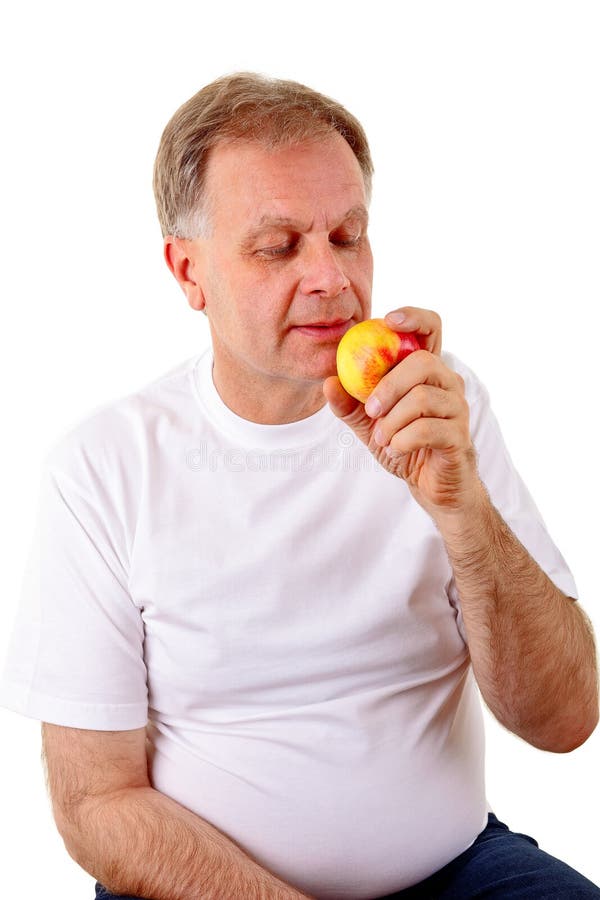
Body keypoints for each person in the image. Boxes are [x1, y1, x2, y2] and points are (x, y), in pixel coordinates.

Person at [1, 72, 598, 900]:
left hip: (456, 871)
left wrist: (461, 511)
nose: (330, 277)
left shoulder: (435, 408)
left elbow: (566, 721)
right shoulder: (102, 468)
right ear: (188, 273)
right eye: (278, 247)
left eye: (348, 235)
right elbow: (96, 805)